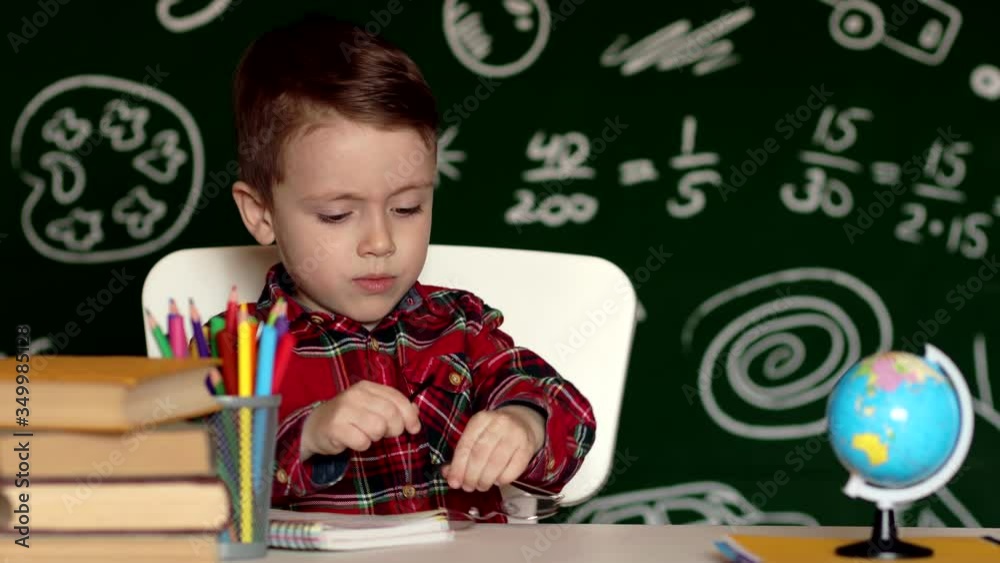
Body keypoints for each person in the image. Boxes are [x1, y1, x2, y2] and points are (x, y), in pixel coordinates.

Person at [222, 13, 595, 522]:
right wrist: (307, 435)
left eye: (407, 208)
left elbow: (565, 412)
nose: (380, 242)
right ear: (261, 214)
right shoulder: (237, 349)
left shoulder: (460, 327)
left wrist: (524, 424)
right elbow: (194, 483)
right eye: (336, 215)